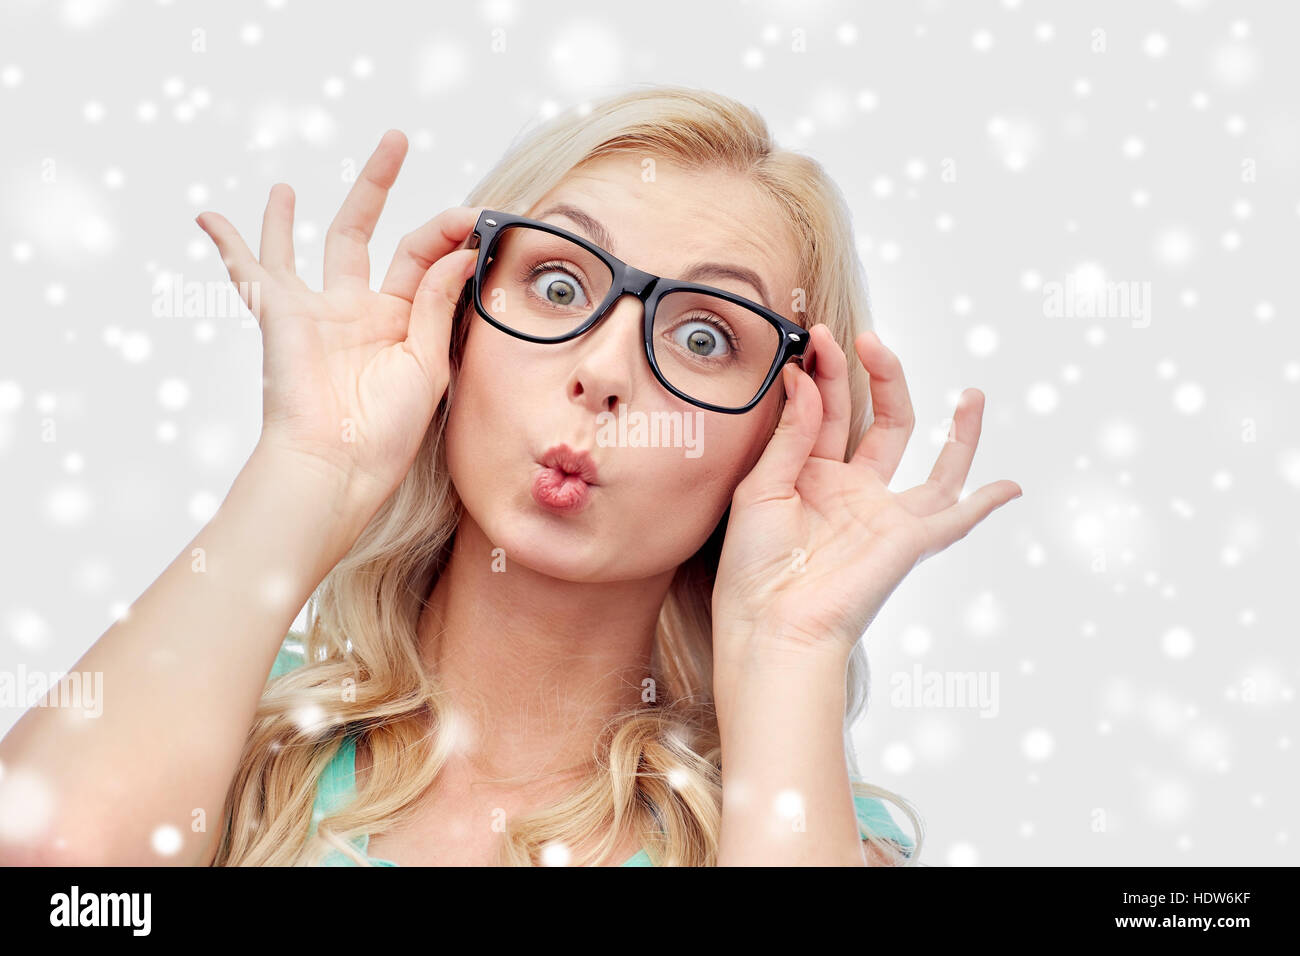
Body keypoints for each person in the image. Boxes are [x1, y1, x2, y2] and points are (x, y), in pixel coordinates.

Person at [0, 85, 1020, 867]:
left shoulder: (792, 818)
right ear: (457, 321)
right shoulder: (227, 719)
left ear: (781, 432)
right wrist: (311, 462)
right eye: (560, 281)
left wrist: (788, 641)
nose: (604, 370)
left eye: (704, 335)